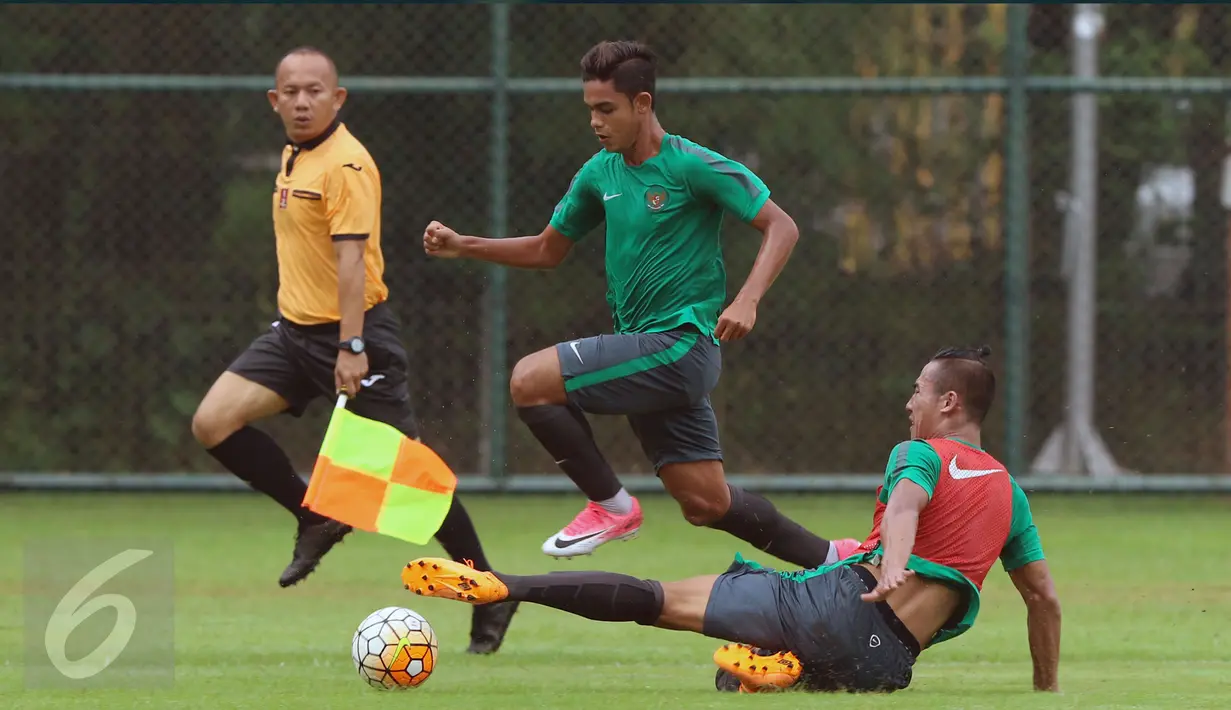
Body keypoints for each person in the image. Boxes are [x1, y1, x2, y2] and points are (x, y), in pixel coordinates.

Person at [421, 39, 858, 569]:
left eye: (607, 110)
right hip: (650, 353)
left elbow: (781, 226)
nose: (596, 123)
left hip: (679, 346)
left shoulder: (692, 165)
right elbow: (546, 249)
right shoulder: (599, 173)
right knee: (705, 502)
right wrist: (465, 244)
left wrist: (747, 299)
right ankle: (834, 556)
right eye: (590, 111)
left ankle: (610, 506)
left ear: (643, 104)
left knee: (529, 380)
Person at [398, 346, 1063, 693]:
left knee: (659, 600)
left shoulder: (918, 454)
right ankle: (781, 669)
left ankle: (504, 586)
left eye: (918, 390)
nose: (908, 401)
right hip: (887, 665)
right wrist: (1043, 689)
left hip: (842, 604)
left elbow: (910, 503)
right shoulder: (1012, 495)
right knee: (749, 663)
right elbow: (1044, 600)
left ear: (948, 401)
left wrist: (891, 562)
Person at [190, 46, 518, 654]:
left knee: (409, 482)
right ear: (274, 100)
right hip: (293, 334)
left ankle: (493, 591)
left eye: (316, 90)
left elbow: (349, 267)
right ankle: (315, 515)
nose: (302, 100)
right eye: (290, 91)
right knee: (213, 422)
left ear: (337, 98)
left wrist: (352, 346)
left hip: (354, 334)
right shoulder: (294, 155)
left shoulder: (347, 165)